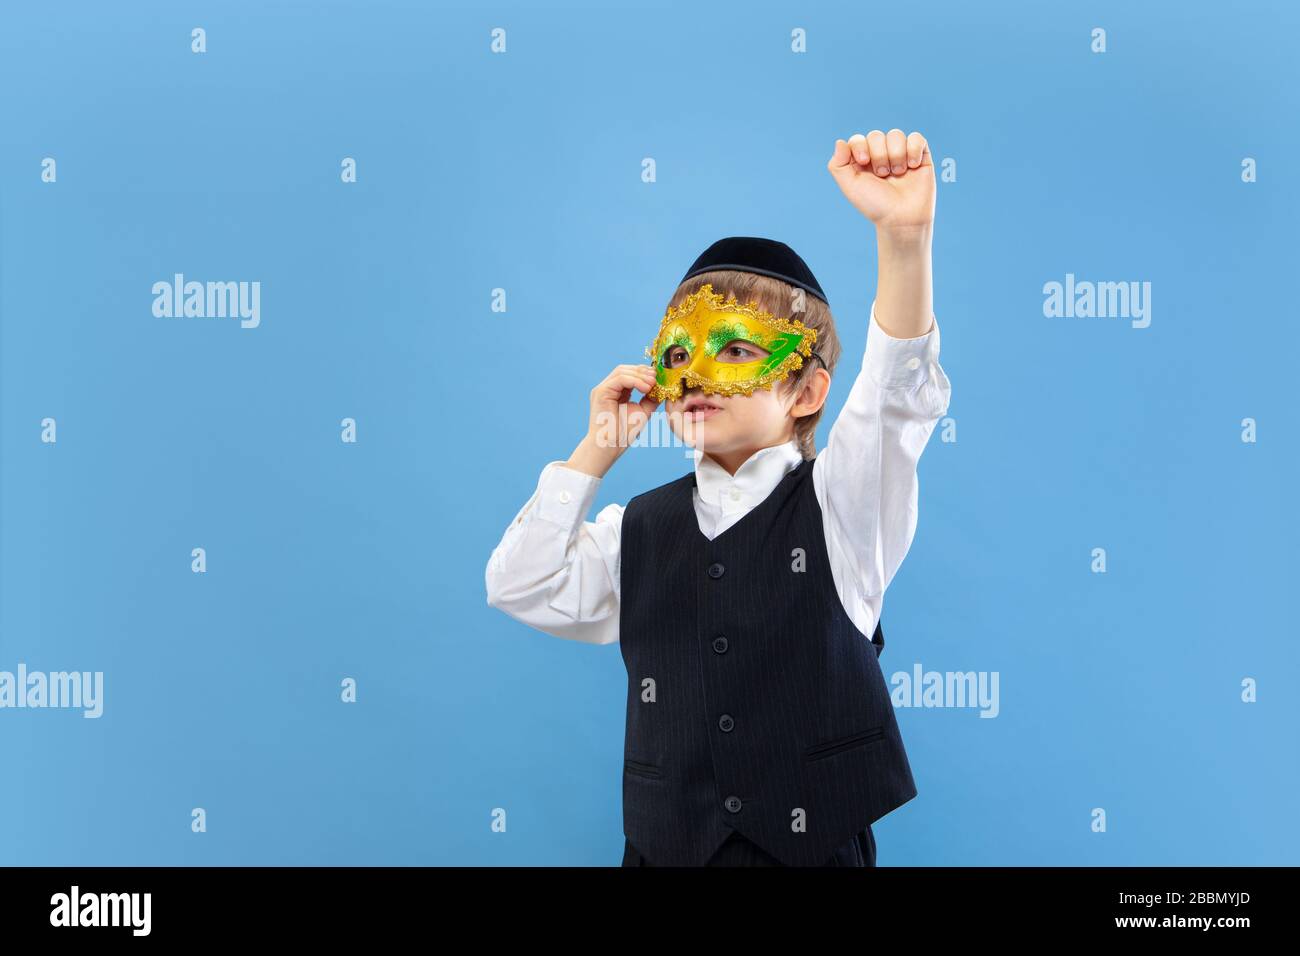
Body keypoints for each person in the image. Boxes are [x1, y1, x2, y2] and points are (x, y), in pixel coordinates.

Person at [486, 129, 951, 866]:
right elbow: (521, 582)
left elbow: (897, 394)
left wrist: (904, 237)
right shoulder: (636, 531)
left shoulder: (845, 507)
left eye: (735, 348)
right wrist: (597, 447)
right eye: (679, 353)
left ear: (807, 390)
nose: (698, 372)